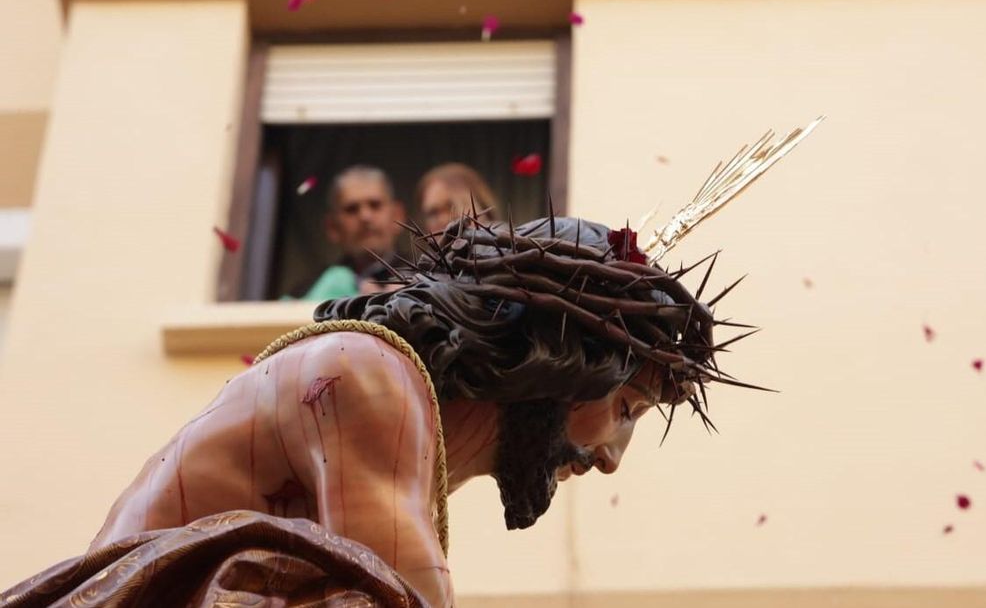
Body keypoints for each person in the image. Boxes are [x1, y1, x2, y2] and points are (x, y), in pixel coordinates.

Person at [1, 122, 816, 608]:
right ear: (563, 360)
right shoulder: (366, 379)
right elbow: (402, 593)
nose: (609, 458)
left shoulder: (400, 420)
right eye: (627, 409)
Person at [293, 165, 408, 300]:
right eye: (352, 209)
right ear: (332, 227)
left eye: (375, 205)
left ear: (397, 216)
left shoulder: (424, 279)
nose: (365, 217)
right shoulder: (311, 291)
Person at [415, 163, 499, 234]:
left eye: (452, 207)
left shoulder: (505, 242)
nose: (443, 219)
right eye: (433, 213)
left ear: (482, 207)